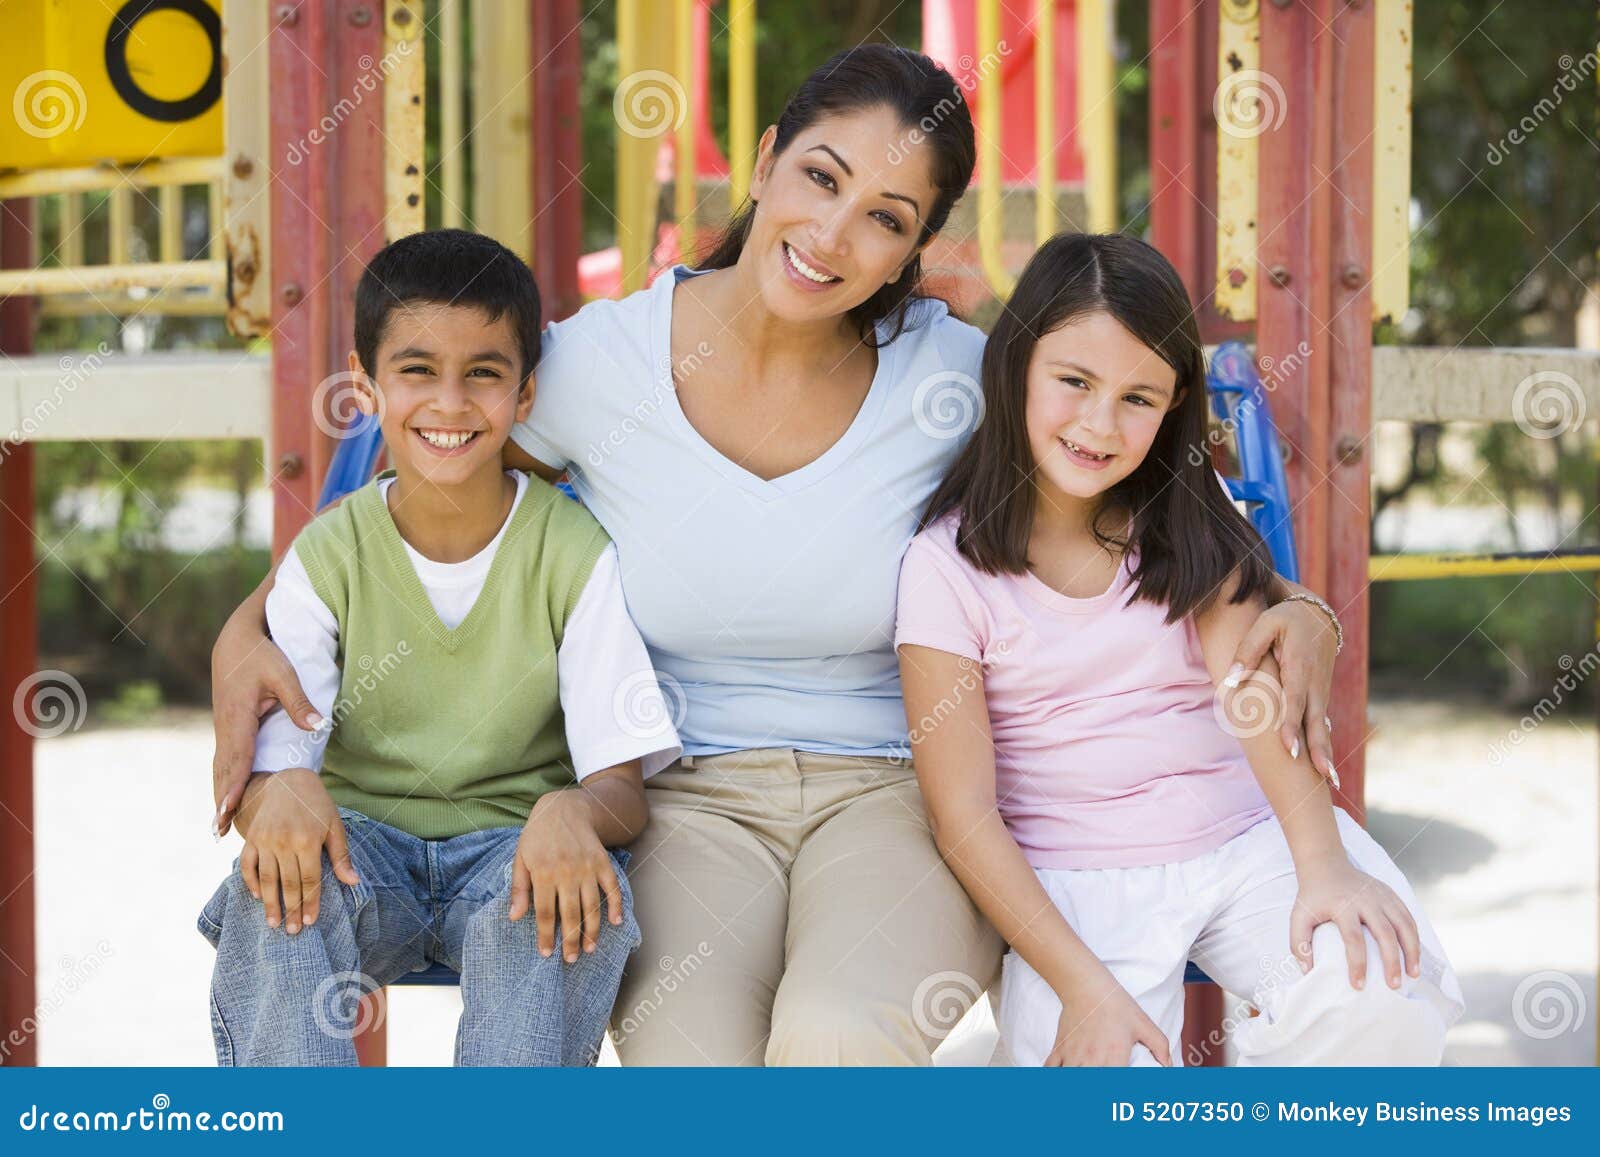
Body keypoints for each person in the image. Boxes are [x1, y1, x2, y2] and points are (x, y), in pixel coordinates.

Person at [209, 46, 1345, 1065]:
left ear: (916, 245)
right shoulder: (592, 367)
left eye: (887, 217)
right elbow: (417, 476)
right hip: (680, 798)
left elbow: (1135, 466)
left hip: (904, 794)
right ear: (764, 161)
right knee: (689, 1066)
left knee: (834, 1040)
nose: (834, 235)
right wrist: (242, 627)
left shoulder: (955, 378)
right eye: (820, 176)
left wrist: (1297, 604)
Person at [896, 232, 1464, 1067]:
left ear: (1172, 407)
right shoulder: (945, 567)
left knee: (1373, 995)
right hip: (1074, 878)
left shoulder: (1187, 513)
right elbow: (964, 815)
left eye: (1138, 397)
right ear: (1015, 365)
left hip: (1246, 835)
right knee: (1097, 1074)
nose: (1098, 423)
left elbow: (1255, 701)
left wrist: (1323, 864)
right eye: (1074, 382)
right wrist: (1083, 987)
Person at [197, 230, 681, 1066]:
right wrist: (274, 798)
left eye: (483, 374)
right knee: (274, 890)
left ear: (525, 392)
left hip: (512, 849)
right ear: (365, 384)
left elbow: (620, 788)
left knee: (572, 901)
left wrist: (571, 810)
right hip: (361, 849)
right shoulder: (330, 554)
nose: (450, 404)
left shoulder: (571, 552)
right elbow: (271, 776)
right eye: (417, 370)